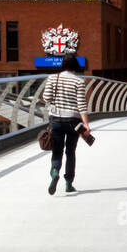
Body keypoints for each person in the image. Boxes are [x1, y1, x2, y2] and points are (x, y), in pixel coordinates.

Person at [42, 51, 91, 195]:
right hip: (73, 122)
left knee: (57, 150)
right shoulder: (79, 81)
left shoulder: (52, 78)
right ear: (75, 66)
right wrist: (86, 124)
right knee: (71, 152)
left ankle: (55, 171)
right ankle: (69, 183)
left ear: (63, 65)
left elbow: (46, 98)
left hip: (56, 119)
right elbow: (81, 104)